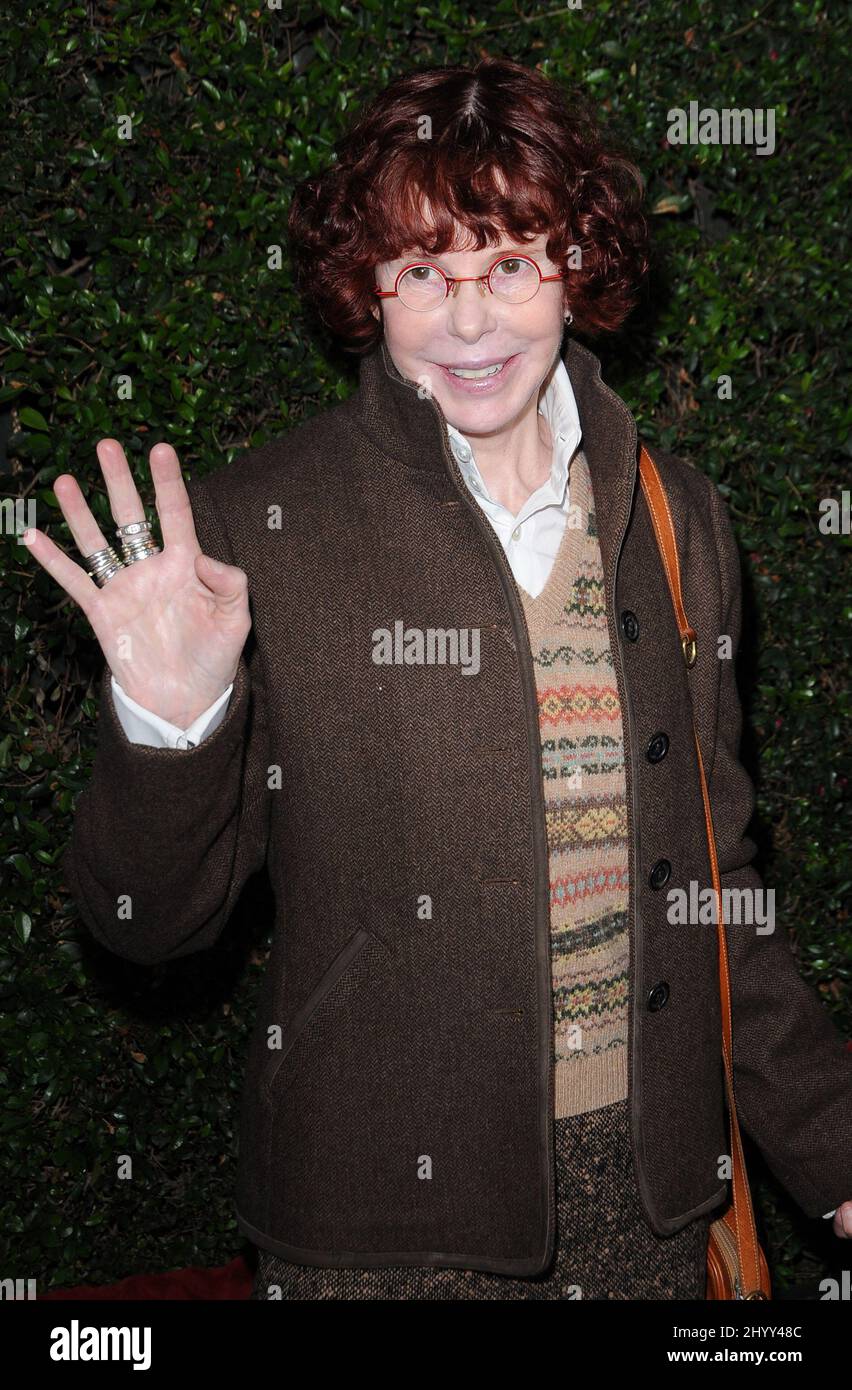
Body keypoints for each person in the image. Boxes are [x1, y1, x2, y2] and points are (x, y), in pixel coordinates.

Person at [27, 58, 852, 1300]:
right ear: (369, 286)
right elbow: (145, 925)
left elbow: (715, 884)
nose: (469, 324)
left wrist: (831, 1143)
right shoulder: (259, 526)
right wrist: (172, 720)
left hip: (652, 1208)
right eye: (423, 273)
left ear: (578, 270)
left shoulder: (676, 522)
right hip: (378, 1249)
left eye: (510, 265)